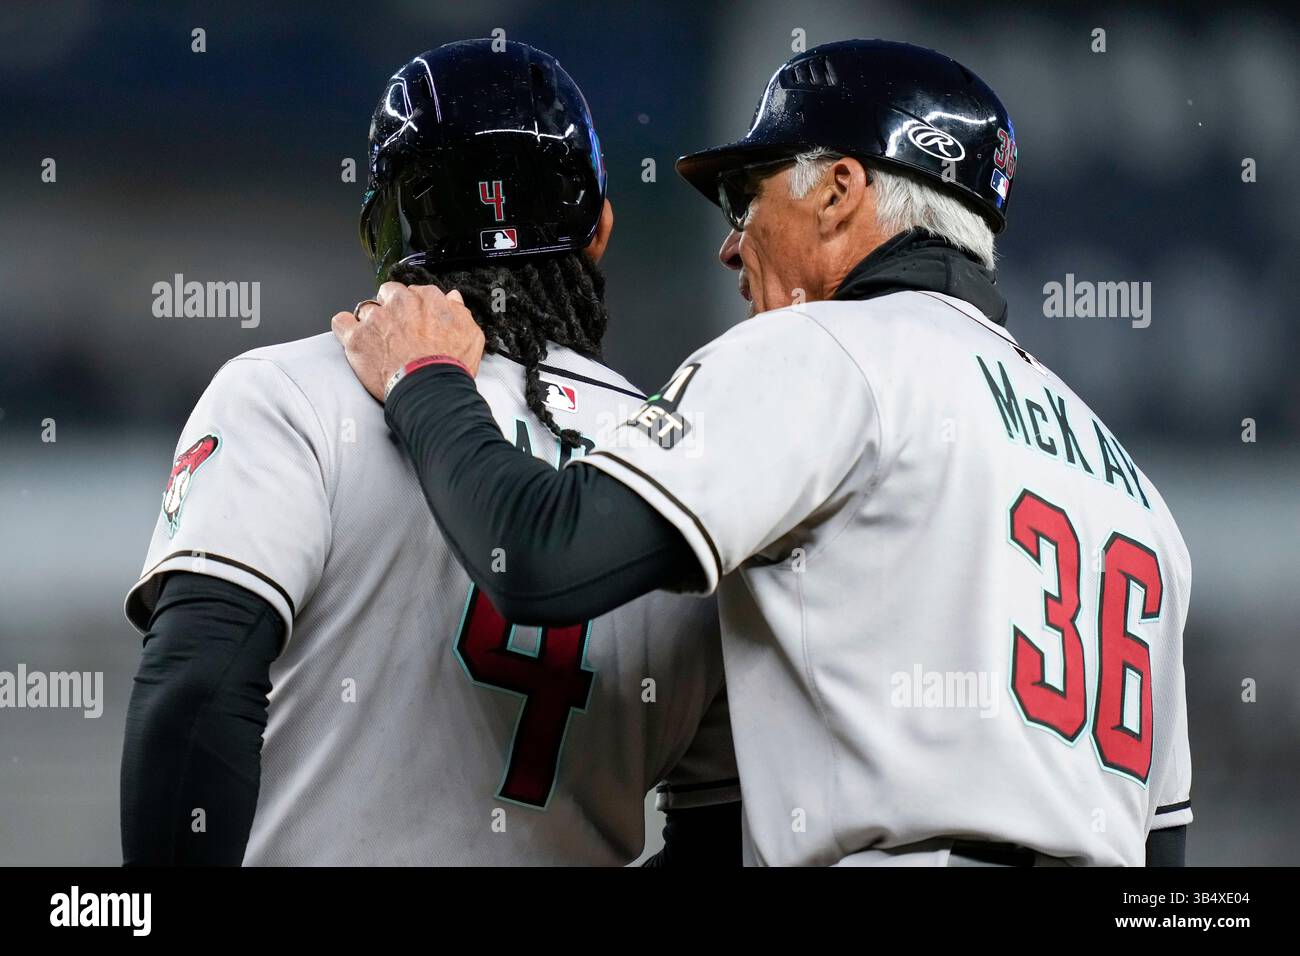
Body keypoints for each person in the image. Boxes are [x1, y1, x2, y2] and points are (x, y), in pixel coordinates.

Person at [333, 39, 1192, 867]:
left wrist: (426, 377)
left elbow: (536, 554)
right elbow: (1165, 850)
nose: (732, 243)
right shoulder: (1129, 486)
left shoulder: (822, 349)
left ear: (838, 192)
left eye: (746, 199)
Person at [120, 39, 739, 866]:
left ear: (388, 231)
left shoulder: (288, 391)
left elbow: (195, 690)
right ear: (601, 230)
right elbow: (724, 832)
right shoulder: (686, 461)